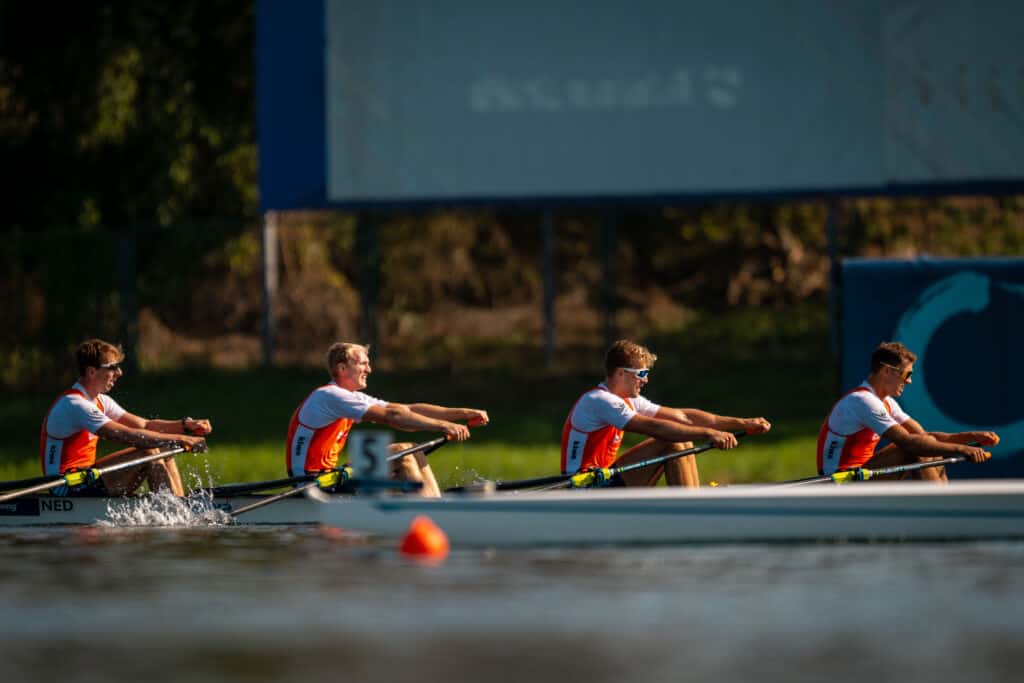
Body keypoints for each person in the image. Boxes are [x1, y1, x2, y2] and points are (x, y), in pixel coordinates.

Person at [285, 342, 489, 498]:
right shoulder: (330, 397)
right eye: (363, 364)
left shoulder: (350, 396)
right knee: (401, 453)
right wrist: (444, 426)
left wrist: (463, 413)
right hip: (311, 483)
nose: (369, 370)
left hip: (332, 475)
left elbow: (406, 409)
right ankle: (427, 510)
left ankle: (433, 502)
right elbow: (394, 418)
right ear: (342, 369)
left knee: (412, 448)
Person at [561, 339, 771, 487]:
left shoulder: (629, 401)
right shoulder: (599, 400)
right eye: (641, 374)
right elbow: (653, 427)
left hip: (605, 478)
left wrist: (743, 423)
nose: (646, 380)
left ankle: (692, 499)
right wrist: (708, 434)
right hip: (584, 486)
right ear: (620, 373)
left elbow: (685, 417)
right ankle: (690, 510)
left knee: (682, 441)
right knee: (670, 441)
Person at [40, 339, 210, 497]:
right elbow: (129, 436)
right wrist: (181, 439)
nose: (119, 373)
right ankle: (173, 511)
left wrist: (186, 426)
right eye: (112, 367)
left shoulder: (101, 401)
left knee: (164, 448)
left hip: (87, 478)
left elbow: (145, 425)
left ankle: (178, 503)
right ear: (91, 372)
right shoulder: (75, 404)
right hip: (65, 487)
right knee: (148, 449)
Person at [817, 341, 996, 481]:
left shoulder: (887, 402)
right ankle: (943, 510)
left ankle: (943, 504)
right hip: (840, 482)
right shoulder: (862, 401)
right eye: (906, 374)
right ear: (887, 370)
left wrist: (971, 437)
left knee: (925, 442)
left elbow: (924, 436)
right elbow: (908, 443)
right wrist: (962, 450)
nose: (909, 381)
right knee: (913, 448)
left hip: (862, 475)